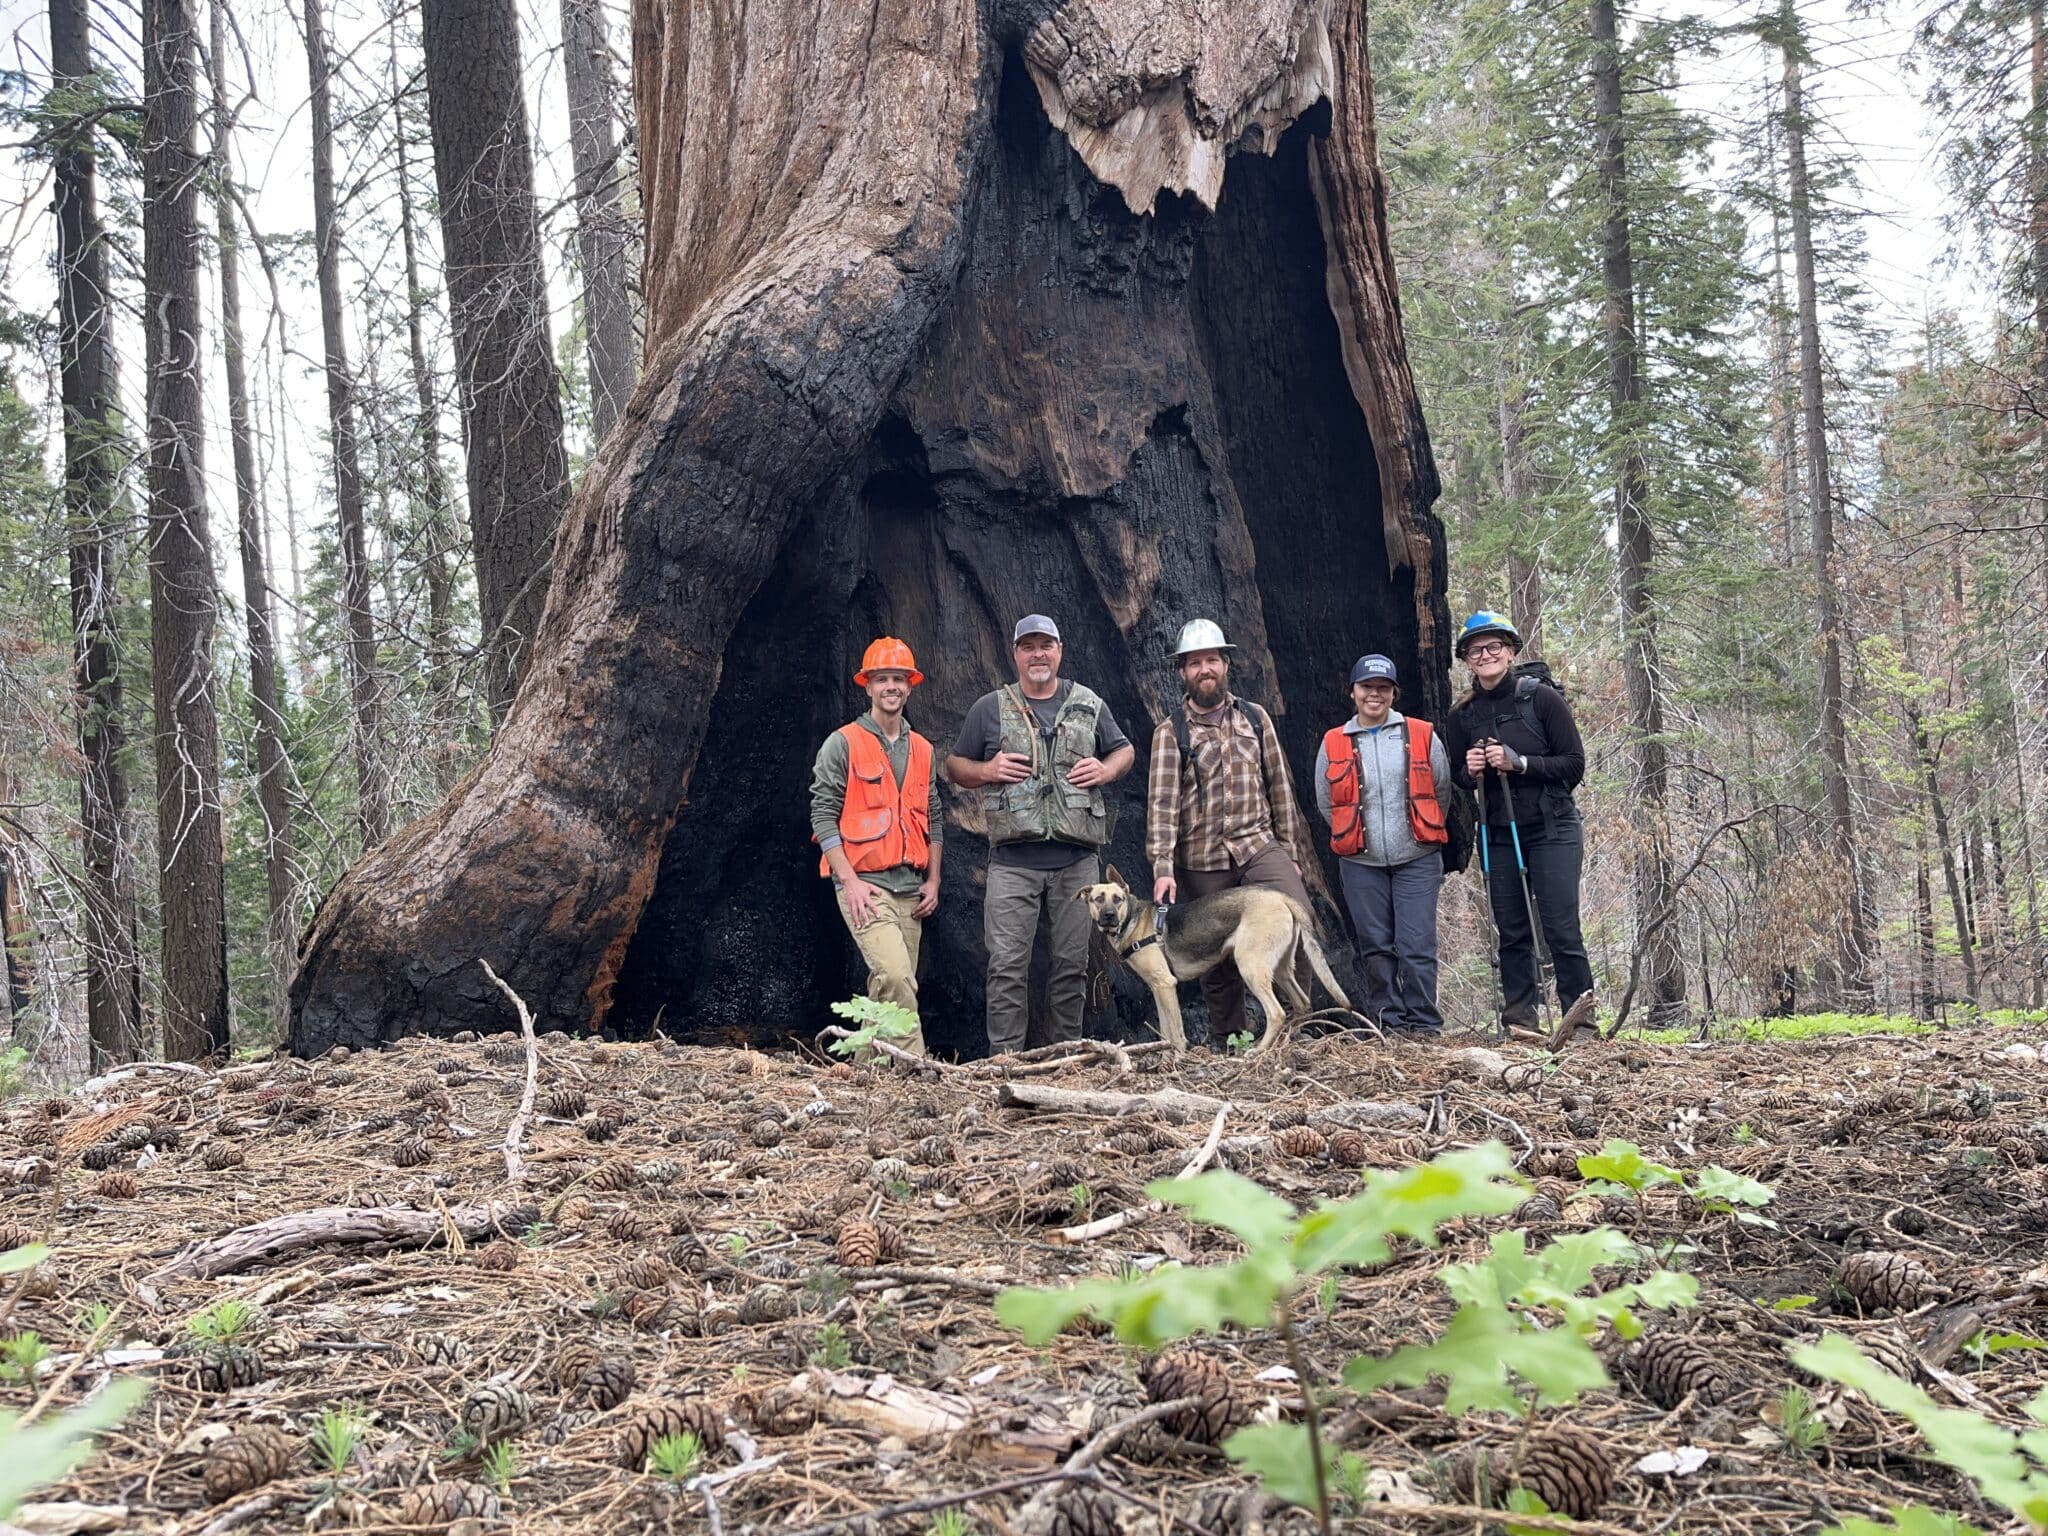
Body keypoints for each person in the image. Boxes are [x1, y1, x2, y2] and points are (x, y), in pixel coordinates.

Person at [946, 616, 1135, 1055]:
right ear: (1015, 654)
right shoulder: (990, 708)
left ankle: (1064, 1057)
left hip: (1077, 863)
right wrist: (987, 770)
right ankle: (1005, 1061)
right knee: (1008, 966)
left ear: (1059, 650)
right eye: (1028, 646)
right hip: (1013, 863)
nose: (1038, 654)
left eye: (1045, 645)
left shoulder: (1088, 703)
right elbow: (955, 765)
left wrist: (1106, 769)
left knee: (1072, 965)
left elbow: (1124, 749)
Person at [1145, 619, 1313, 1046]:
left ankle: (1295, 1030)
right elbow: (1162, 805)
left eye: (1213, 660)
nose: (1206, 669)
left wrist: (1290, 851)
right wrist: (1163, 867)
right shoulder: (1171, 733)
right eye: (1196, 662)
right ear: (1182, 671)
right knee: (1214, 958)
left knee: (1295, 919)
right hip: (1201, 858)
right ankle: (1231, 1040)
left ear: (1226, 665)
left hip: (1258, 845)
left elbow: (1280, 786)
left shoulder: (1255, 720)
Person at [1439, 611, 1593, 1035]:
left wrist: (1519, 762)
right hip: (1497, 832)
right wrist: (1469, 770)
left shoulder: (1541, 699)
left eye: (1494, 647)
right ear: (1467, 660)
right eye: (1475, 650)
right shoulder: (1462, 716)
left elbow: (1574, 764)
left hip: (1552, 827)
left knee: (1561, 926)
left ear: (1509, 651)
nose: (1486, 655)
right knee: (1511, 929)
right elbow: (1456, 777)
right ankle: (1520, 1020)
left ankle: (1579, 1021)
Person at [810, 637, 942, 1055]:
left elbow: (934, 818)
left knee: (888, 985)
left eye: (899, 679)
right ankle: (918, 1069)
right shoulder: (843, 743)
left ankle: (863, 1070)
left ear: (910, 686)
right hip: (865, 885)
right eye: (882, 679)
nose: (891, 687)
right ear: (867, 686)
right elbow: (822, 816)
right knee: (897, 976)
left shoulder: (922, 749)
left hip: (911, 888)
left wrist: (934, 881)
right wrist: (848, 882)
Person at [1313, 654, 1451, 1036]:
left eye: (1383, 688)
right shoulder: (1333, 741)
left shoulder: (1421, 734)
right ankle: (1388, 1023)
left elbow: (1441, 791)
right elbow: (1327, 802)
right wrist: (1360, 837)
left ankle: (1424, 1025)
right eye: (1367, 688)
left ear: (1393, 693)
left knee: (1416, 945)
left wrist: (1413, 832)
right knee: (1375, 945)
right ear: (1353, 692)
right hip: (1361, 862)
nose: (1374, 695)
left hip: (1417, 857)